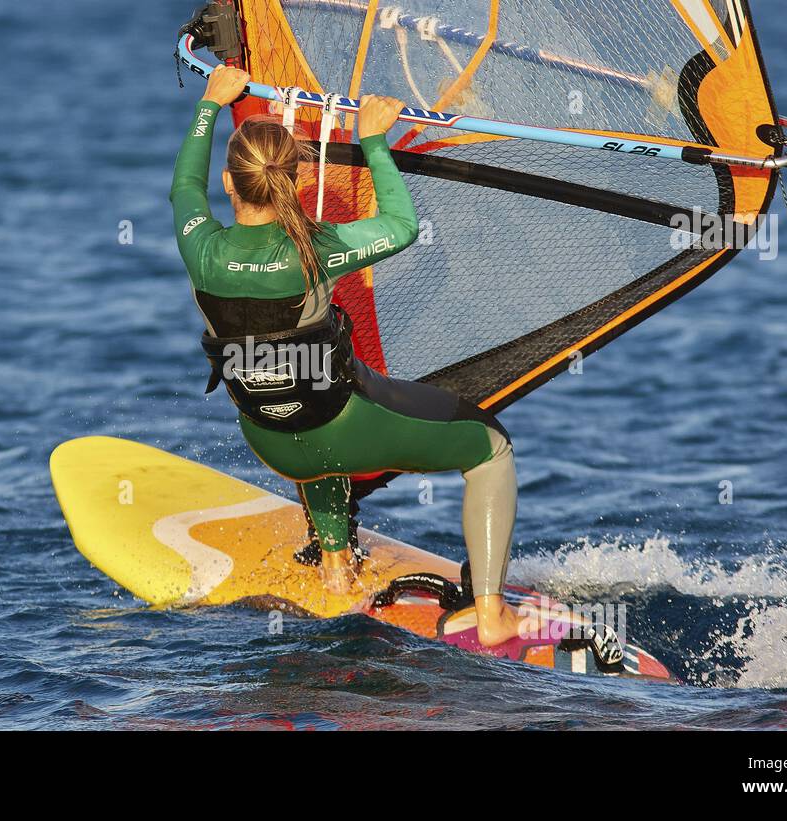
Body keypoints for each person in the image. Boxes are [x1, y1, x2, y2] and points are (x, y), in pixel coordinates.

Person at [170, 66, 534, 647]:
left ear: (229, 183)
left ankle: (337, 568)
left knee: (301, 405)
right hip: (341, 426)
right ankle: (491, 615)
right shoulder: (317, 249)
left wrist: (210, 106)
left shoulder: (199, 246)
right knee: (491, 449)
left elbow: (183, 191)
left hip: (267, 439)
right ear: (290, 181)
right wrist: (371, 139)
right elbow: (401, 225)